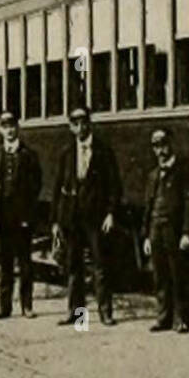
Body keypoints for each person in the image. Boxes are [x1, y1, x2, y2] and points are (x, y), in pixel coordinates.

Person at [51, 107, 122, 326]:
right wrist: (55, 220)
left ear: (89, 124)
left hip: (96, 218)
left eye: (83, 123)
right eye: (75, 124)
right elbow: (57, 188)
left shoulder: (102, 151)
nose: (80, 128)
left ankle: (105, 312)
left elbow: (114, 186)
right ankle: (77, 313)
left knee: (100, 265)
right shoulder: (66, 153)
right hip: (72, 218)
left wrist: (110, 213)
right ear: (71, 127)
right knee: (74, 267)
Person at [0, 112, 43, 320]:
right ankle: (5, 307)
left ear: (17, 128)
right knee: (5, 265)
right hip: (3, 217)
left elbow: (36, 185)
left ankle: (27, 305)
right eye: (5, 126)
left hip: (22, 217)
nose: (9, 130)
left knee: (25, 264)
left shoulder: (28, 155)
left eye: (12, 126)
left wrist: (28, 211)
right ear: (0, 130)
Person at [140, 128, 189, 333]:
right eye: (156, 146)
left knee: (178, 275)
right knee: (160, 276)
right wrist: (145, 235)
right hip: (156, 228)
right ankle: (163, 318)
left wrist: (187, 232)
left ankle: (182, 319)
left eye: (163, 144)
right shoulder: (153, 175)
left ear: (170, 144)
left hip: (174, 229)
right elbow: (148, 206)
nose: (160, 150)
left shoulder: (183, 172)